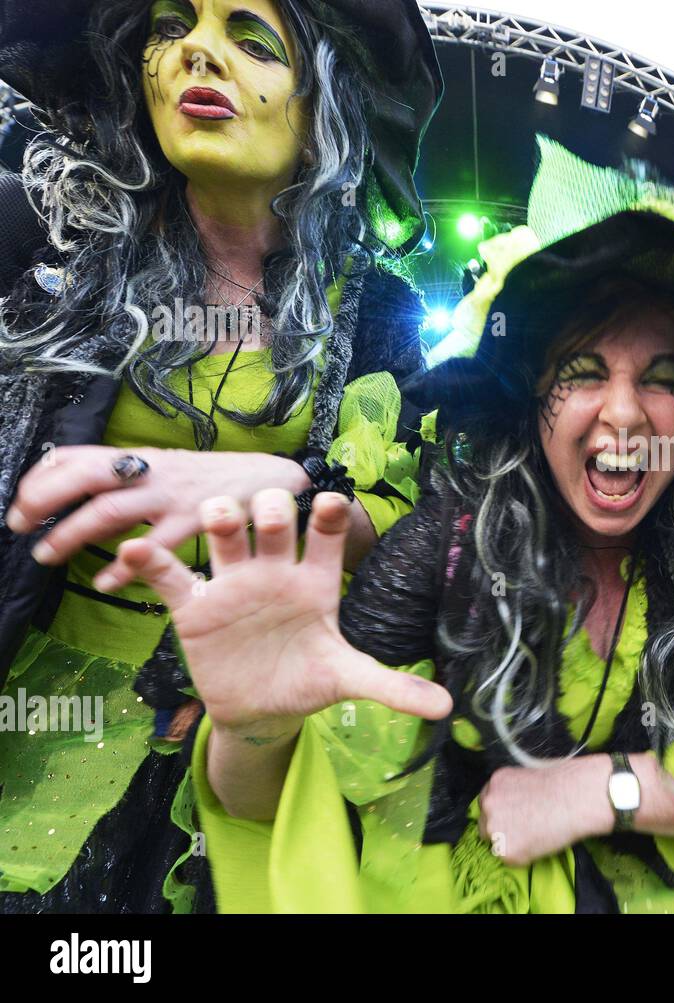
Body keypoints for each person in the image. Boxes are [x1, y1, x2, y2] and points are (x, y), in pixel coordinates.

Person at [120, 138, 674, 914]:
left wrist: (607, 789)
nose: (623, 413)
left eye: (662, 381)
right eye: (583, 372)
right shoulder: (442, 548)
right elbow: (299, 819)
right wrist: (253, 732)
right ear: (533, 399)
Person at [0, 0, 441, 912]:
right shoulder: (41, 240)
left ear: (324, 103)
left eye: (252, 39)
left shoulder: (379, 311)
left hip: (236, 736)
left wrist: (281, 487)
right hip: (31, 709)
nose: (199, 52)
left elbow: (426, 515)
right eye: (172, 25)